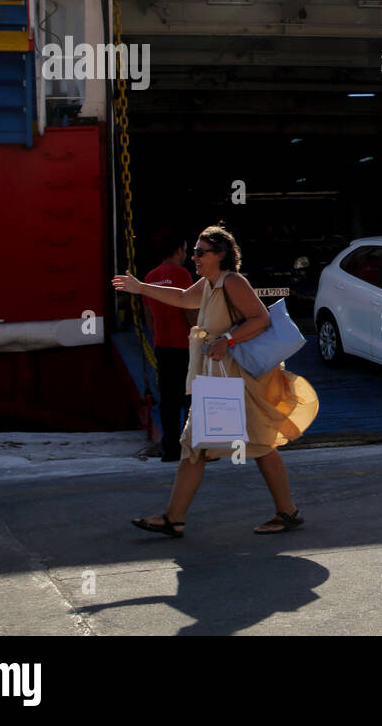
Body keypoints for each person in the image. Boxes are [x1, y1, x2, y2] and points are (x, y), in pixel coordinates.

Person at [112, 225, 318, 536]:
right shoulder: (210, 284)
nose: (193, 257)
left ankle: (286, 512)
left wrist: (228, 340)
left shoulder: (233, 282)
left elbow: (260, 319)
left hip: (235, 381)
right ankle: (174, 518)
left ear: (220, 255)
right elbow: (182, 298)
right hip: (218, 380)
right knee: (198, 446)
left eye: (200, 252)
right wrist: (141, 287)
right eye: (193, 251)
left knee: (258, 444)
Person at [144, 234, 196, 462]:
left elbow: (148, 318)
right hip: (184, 345)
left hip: (163, 346)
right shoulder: (182, 274)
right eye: (185, 250)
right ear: (178, 251)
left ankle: (171, 449)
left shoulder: (150, 277)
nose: (187, 255)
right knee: (191, 398)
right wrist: (201, 332)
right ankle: (194, 447)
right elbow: (188, 308)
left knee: (169, 400)